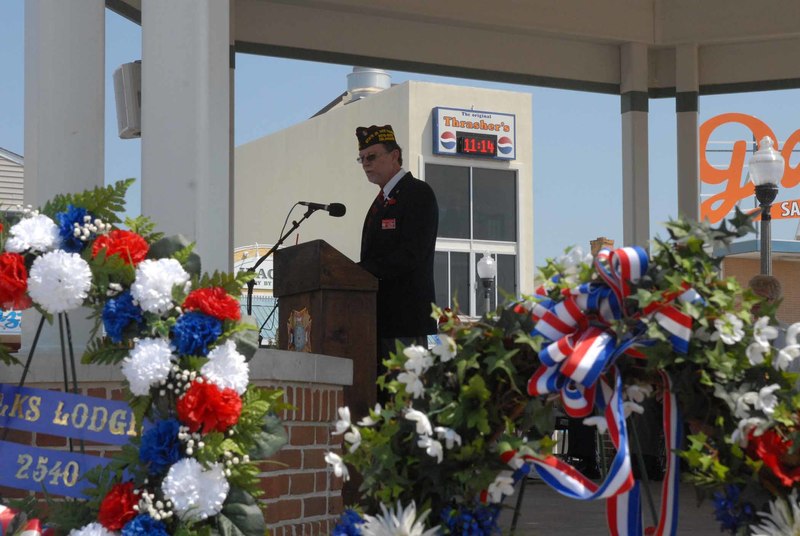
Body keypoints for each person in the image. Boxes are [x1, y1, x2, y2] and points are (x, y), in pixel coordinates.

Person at [355, 124, 439, 369]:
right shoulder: (379, 203)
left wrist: (361, 271)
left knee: (407, 404)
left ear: (394, 156)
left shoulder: (417, 194)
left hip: (408, 324)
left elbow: (411, 255)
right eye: (361, 159)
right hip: (379, 323)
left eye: (372, 156)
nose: (366, 164)